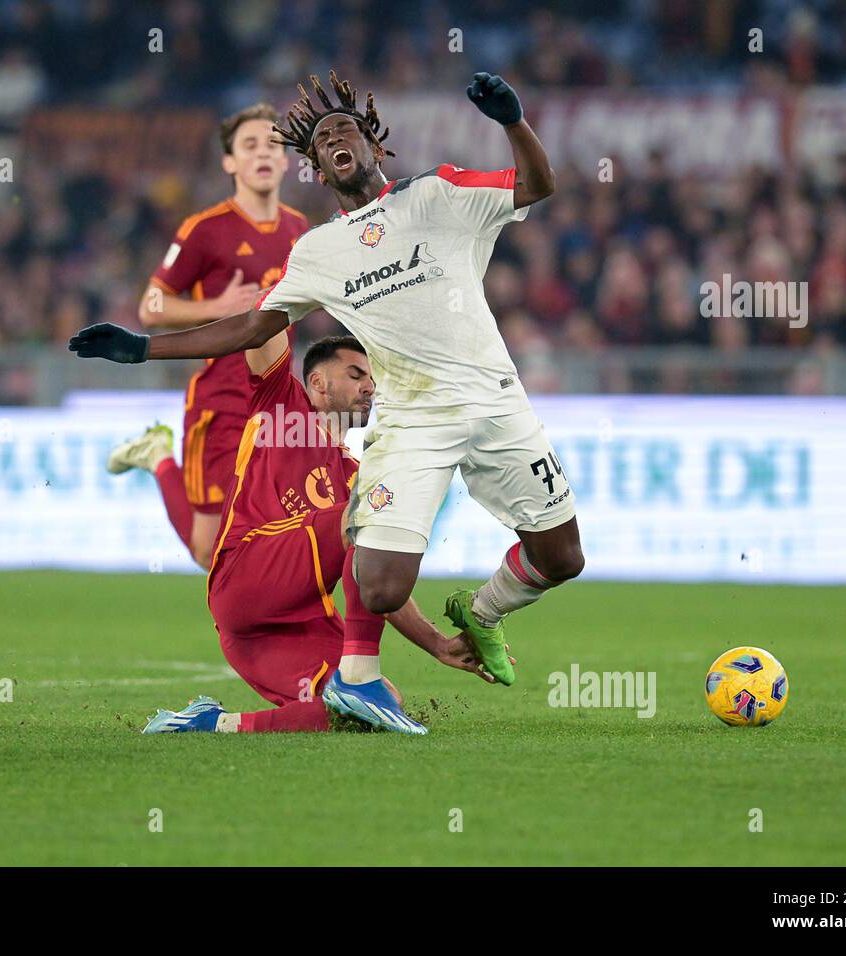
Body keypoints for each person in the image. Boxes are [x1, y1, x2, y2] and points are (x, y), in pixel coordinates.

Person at [72, 71, 582, 695]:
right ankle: (361, 680)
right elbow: (250, 328)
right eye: (319, 139)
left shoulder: (438, 193)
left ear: (373, 143)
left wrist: (511, 120)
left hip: (497, 403)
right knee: (380, 585)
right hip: (412, 421)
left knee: (563, 559)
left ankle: (480, 615)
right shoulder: (319, 252)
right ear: (315, 164)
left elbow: (539, 183)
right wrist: (144, 348)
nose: (334, 138)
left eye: (345, 128)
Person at [143, 332, 498, 735]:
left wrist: (439, 645)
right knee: (372, 511)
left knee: (365, 710)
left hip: (277, 630)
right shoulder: (282, 410)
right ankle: (359, 678)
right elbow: (269, 324)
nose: (369, 387)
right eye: (355, 374)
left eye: (373, 379)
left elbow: (376, 581)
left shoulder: (353, 476)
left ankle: (211, 724)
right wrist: (308, 278)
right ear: (317, 383)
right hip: (246, 577)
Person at [106, 103, 309, 569]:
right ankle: (158, 457)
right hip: (220, 400)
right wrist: (216, 308)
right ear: (230, 162)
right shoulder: (205, 230)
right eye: (249, 145)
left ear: (285, 161)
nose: (263, 153)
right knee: (209, 550)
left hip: (279, 404)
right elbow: (150, 307)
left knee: (282, 534)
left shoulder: (301, 231)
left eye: (272, 145)